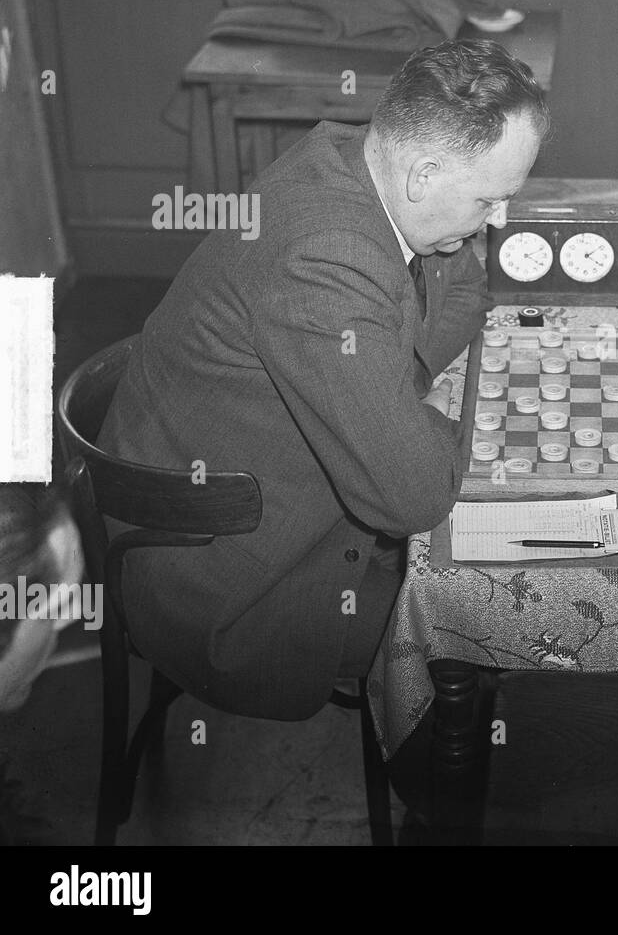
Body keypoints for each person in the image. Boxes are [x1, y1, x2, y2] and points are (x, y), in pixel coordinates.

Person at [98, 39, 547, 720]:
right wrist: (428, 420)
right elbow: (413, 496)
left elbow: (465, 290)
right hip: (227, 571)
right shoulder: (325, 258)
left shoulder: (355, 158)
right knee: (498, 640)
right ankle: (439, 804)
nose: (501, 221)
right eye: (492, 199)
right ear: (423, 173)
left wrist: (388, 390)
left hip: (255, 487)